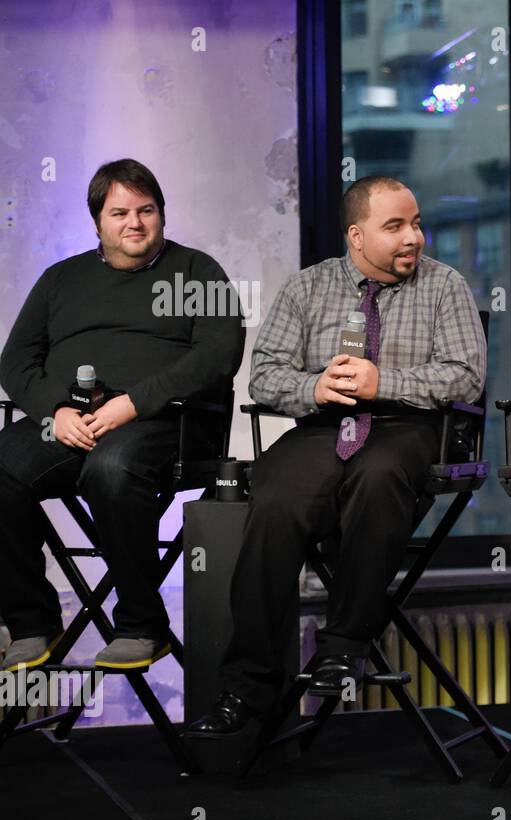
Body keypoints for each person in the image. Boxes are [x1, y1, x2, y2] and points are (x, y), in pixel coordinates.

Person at [187, 175, 486, 736]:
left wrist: (383, 381)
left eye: (416, 223)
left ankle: (343, 645)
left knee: (378, 475)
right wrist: (316, 389)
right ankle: (247, 685)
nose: (413, 238)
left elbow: (466, 377)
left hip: (409, 425)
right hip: (325, 423)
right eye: (395, 226)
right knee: (273, 497)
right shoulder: (306, 289)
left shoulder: (445, 286)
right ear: (356, 234)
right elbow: (266, 375)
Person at [0, 158, 244, 671]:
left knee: (111, 468)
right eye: (120, 212)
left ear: (161, 214)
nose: (135, 222)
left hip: (169, 424)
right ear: (97, 222)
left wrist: (133, 403)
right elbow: (16, 362)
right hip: (74, 422)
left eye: (146, 210)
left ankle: (141, 624)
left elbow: (218, 355)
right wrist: (56, 410)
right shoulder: (60, 280)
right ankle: (30, 621)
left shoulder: (198, 271)